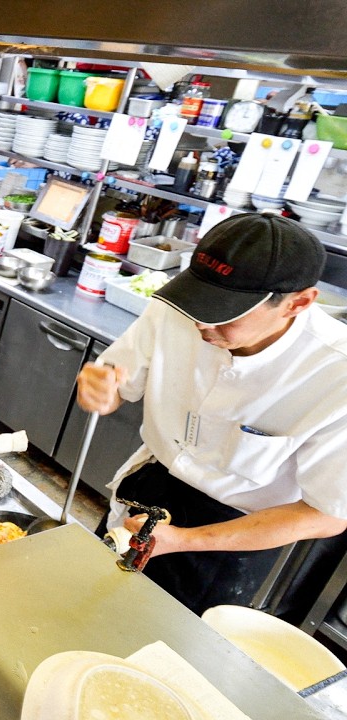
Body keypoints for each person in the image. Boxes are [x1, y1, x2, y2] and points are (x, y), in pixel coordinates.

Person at [76, 213, 347, 615]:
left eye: (225, 312)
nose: (201, 322)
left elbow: (325, 515)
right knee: (89, 599)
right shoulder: (176, 311)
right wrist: (99, 389)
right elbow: (117, 385)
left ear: (299, 302)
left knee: (165, 646)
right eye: (198, 301)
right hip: (153, 484)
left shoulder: (334, 374)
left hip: (233, 534)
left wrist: (184, 541)